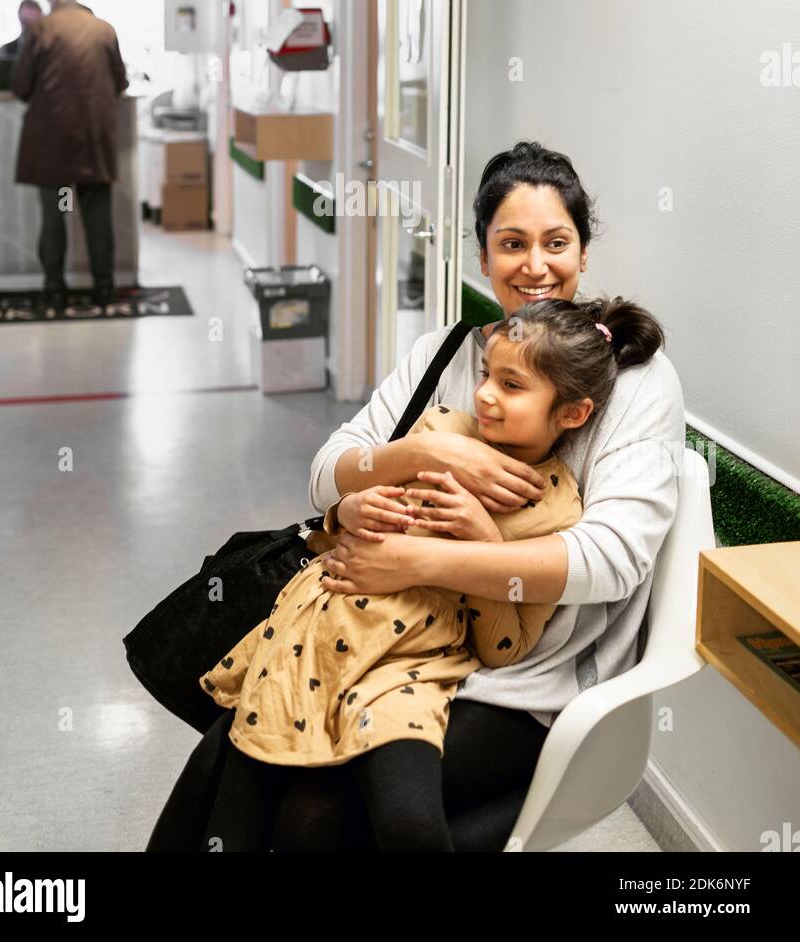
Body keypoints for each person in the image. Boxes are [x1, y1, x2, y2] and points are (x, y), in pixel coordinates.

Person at [145, 141, 685, 852]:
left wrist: (417, 561)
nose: (535, 265)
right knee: (232, 746)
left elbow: (610, 560)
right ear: (482, 255)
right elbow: (328, 470)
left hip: (527, 683)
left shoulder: (635, 382)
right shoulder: (447, 355)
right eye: (511, 243)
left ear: (583, 253)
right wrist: (411, 460)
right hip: (385, 644)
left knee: (312, 814)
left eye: (557, 242)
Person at [194, 295, 663, 852]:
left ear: (573, 413)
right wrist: (349, 508)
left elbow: (504, 643)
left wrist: (480, 542)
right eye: (487, 375)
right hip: (311, 637)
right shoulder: (439, 427)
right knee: (228, 796)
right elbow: (346, 510)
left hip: (406, 673)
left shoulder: (554, 508)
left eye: (511, 386)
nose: (485, 394)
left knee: (393, 826)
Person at [11, 0, 128, 308]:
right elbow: (121, 84)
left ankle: (54, 288)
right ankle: (104, 288)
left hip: (54, 151)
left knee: (56, 214)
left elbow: (20, 86)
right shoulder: (104, 30)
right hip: (93, 145)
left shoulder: (42, 29)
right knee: (96, 216)